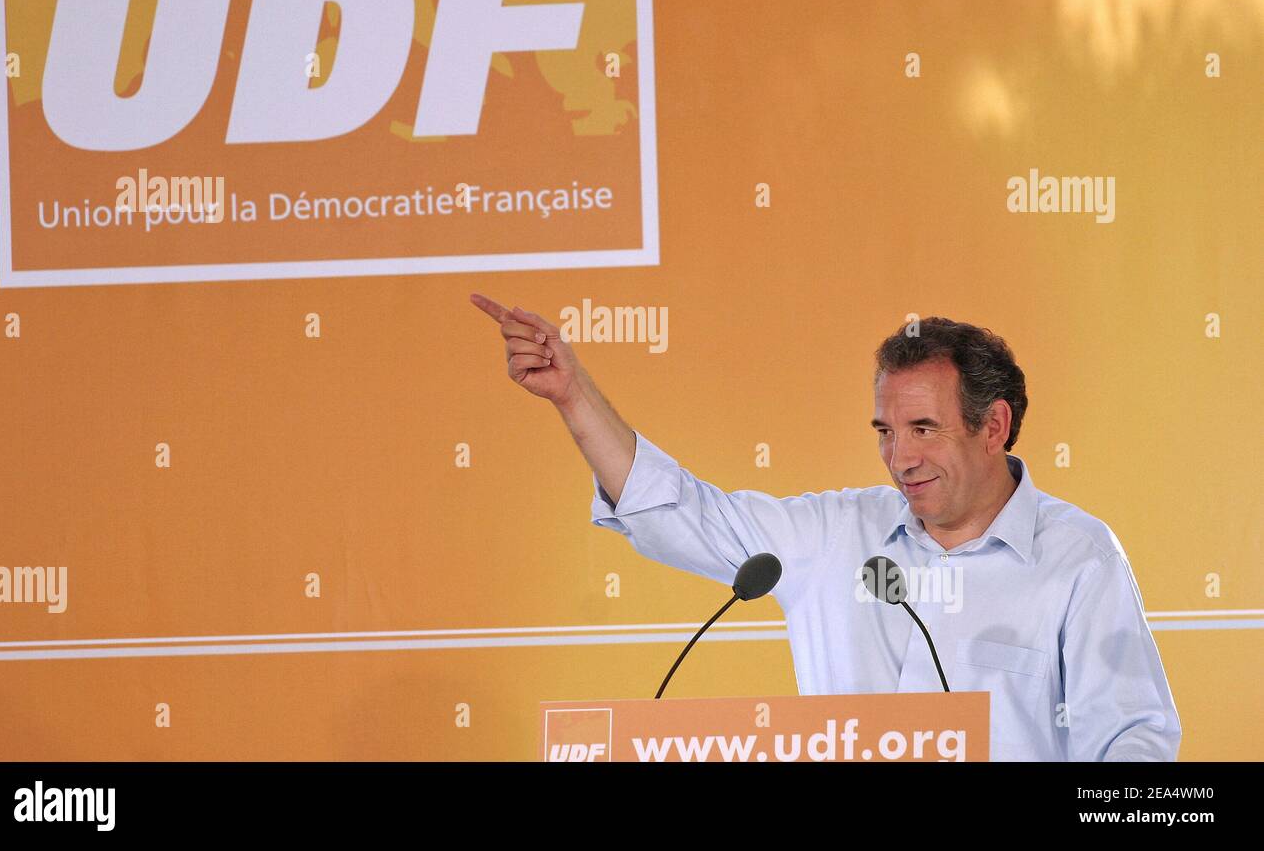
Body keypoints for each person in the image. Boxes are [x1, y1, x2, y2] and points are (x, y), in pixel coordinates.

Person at [470, 293, 1181, 761]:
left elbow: (1133, 747)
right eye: (885, 431)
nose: (899, 459)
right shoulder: (833, 535)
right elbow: (680, 515)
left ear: (993, 426)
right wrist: (572, 396)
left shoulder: (1080, 559)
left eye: (924, 429)